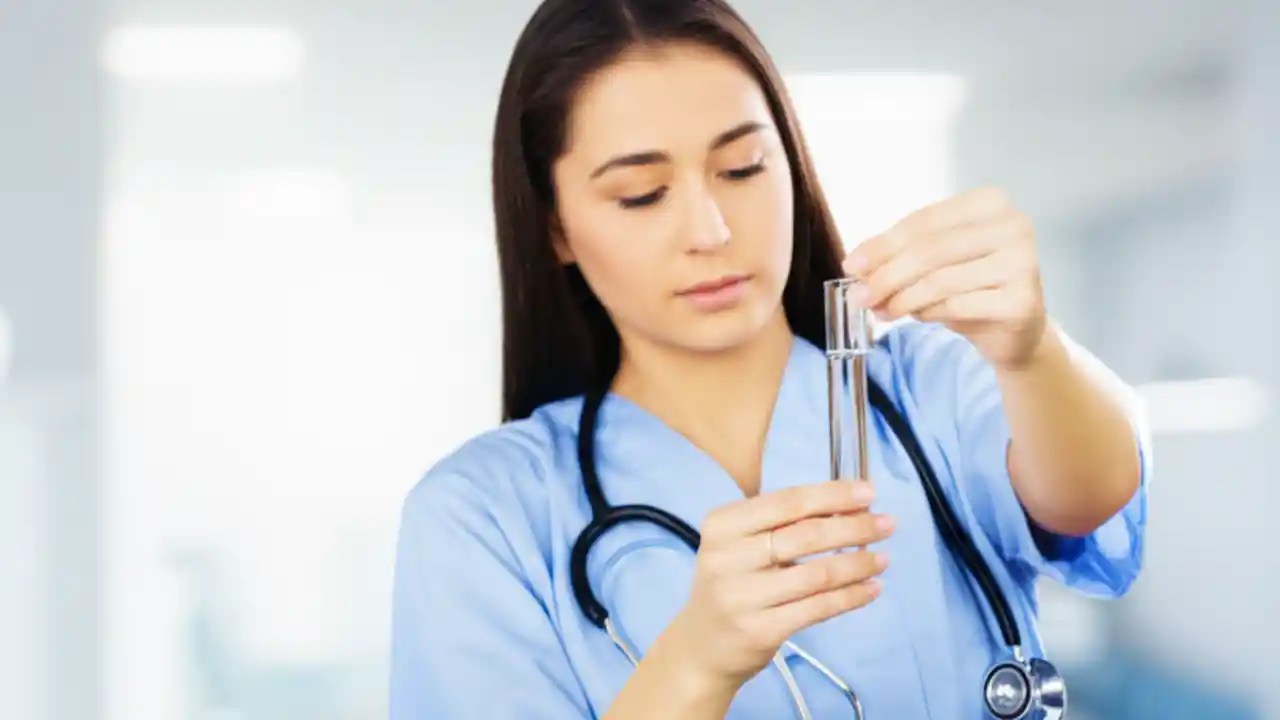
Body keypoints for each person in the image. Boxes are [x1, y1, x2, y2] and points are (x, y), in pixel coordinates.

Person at [389, 0, 1150, 717]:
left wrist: (1029, 348)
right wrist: (694, 664)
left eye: (744, 168)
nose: (712, 229)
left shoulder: (926, 388)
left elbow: (1094, 493)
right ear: (555, 229)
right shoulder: (483, 515)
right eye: (643, 194)